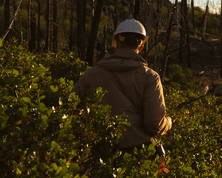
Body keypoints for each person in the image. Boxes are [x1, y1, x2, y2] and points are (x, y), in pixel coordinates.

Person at [73, 19, 172, 151]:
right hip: (137, 155)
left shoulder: (92, 74)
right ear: (141, 47)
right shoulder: (150, 77)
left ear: (117, 44)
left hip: (97, 151)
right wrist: (168, 122)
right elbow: (154, 124)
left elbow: (70, 106)